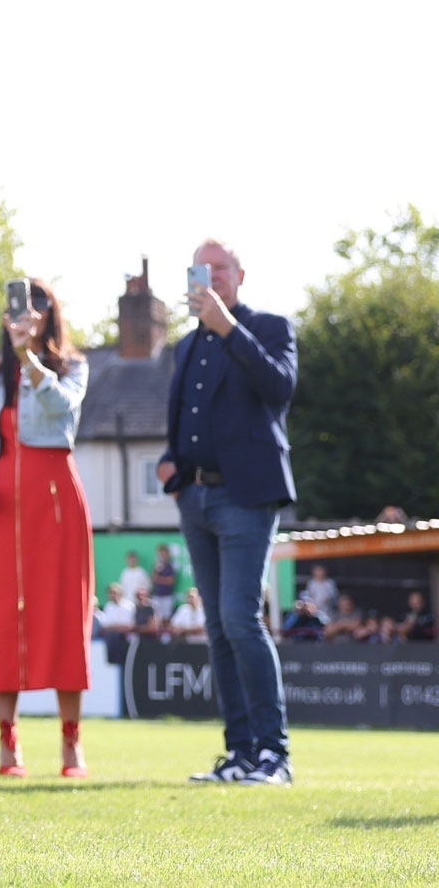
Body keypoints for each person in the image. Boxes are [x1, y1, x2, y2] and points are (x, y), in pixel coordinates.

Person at [157, 240, 299, 787]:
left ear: (240, 274)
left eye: (220, 267)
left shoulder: (268, 326)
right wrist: (169, 466)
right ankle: (240, 752)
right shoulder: (185, 346)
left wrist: (226, 327)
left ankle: (274, 755)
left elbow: (279, 387)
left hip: (247, 496)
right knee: (217, 627)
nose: (211, 276)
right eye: (202, 268)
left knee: (241, 618)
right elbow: (185, 421)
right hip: (196, 499)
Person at [0, 276, 92, 778]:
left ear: (49, 315)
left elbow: (63, 409)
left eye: (37, 307)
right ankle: (7, 740)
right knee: (1, 617)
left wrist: (31, 360)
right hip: (3, 506)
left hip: (55, 499)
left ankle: (70, 740)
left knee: (62, 612)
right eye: (19, 307)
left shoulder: (73, 366)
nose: (26, 315)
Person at [149, 544, 179, 624]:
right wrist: (157, 570)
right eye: (161, 554)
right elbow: (153, 580)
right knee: (156, 616)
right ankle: (158, 634)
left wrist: (160, 579)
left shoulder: (171, 566)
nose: (162, 556)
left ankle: (166, 635)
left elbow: (171, 581)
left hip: (168, 595)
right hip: (157, 594)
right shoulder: (156, 565)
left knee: (167, 616)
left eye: (164, 554)